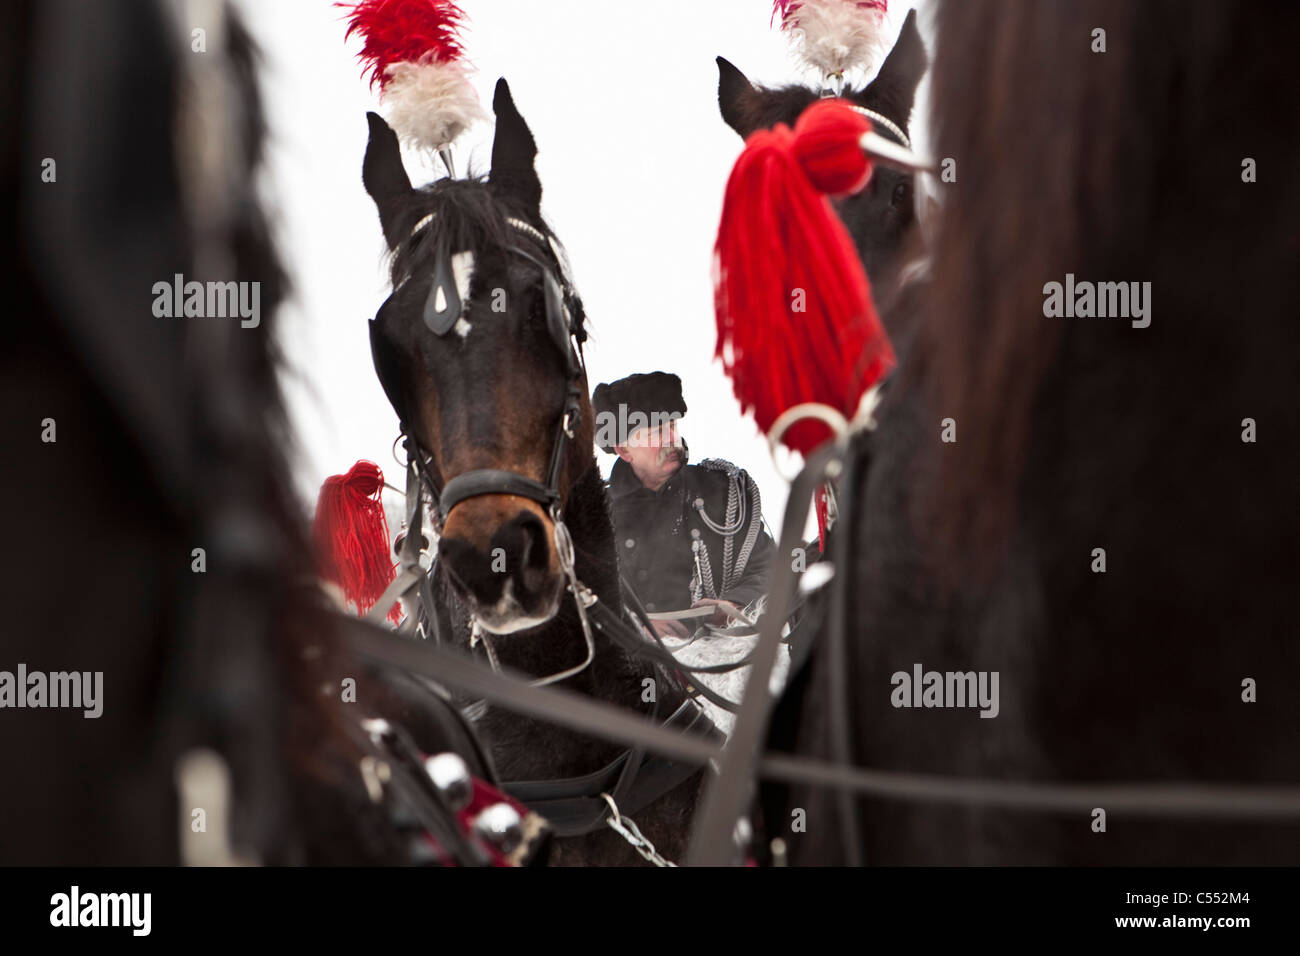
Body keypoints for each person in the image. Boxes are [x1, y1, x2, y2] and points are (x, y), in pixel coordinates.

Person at [592, 372, 775, 639]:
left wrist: (734, 604)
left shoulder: (722, 491)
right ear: (624, 450)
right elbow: (578, 602)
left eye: (672, 427)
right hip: (635, 668)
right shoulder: (596, 518)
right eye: (656, 432)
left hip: (725, 661)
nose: (671, 440)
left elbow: (770, 567)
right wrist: (634, 629)